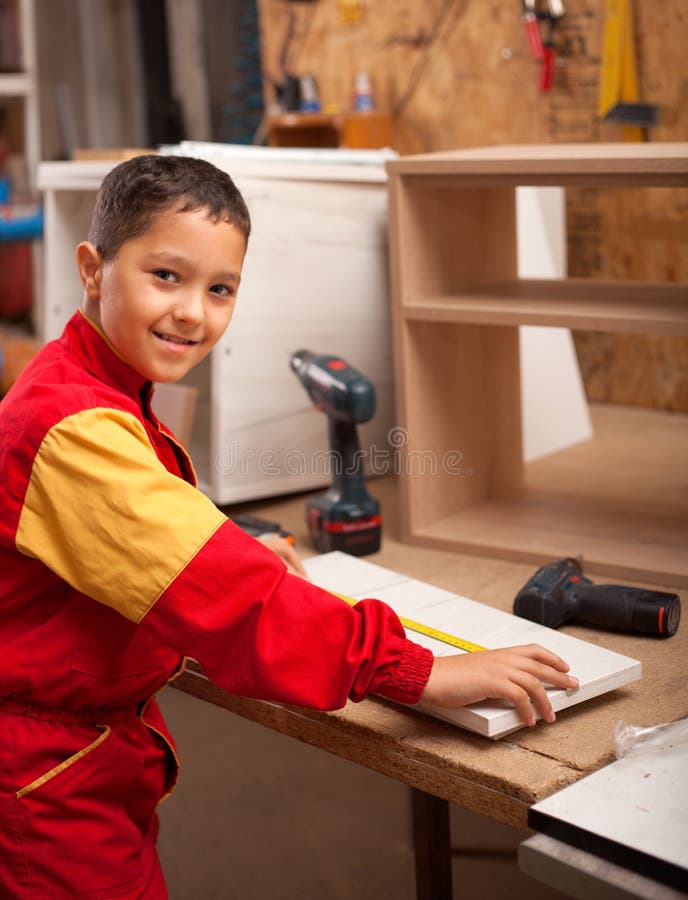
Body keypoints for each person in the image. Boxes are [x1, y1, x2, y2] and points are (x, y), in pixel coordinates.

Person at [0, 154, 578, 899]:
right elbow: (226, 596)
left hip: (84, 748)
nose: (193, 313)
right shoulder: (69, 423)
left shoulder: (88, 383)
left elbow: (135, 524)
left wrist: (231, 542)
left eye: (221, 289)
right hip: (42, 775)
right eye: (165, 277)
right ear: (92, 269)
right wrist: (413, 668)